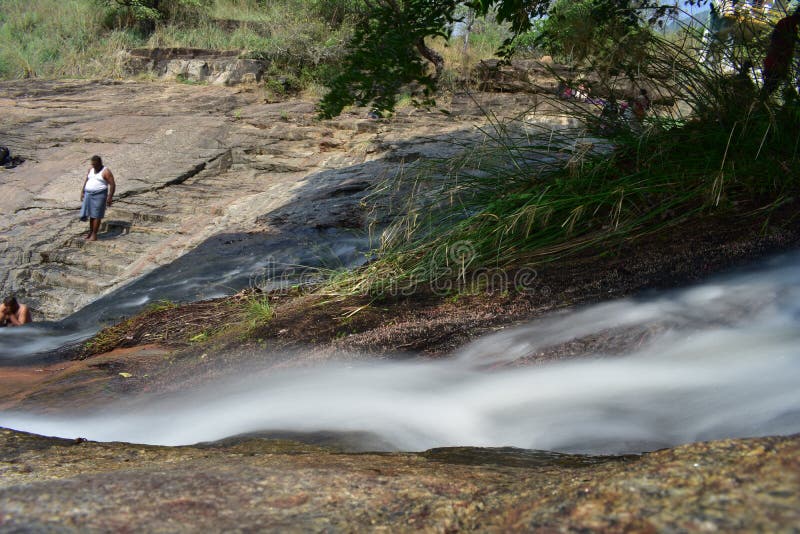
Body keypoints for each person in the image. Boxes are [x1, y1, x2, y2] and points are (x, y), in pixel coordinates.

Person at [762, 8, 800, 96]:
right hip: (776, 62)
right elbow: (781, 44)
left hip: (776, 62)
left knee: (768, 87)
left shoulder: (790, 25)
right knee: (769, 87)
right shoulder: (788, 25)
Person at [80, 155, 115, 241]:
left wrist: (110, 197)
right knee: (91, 214)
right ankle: (91, 232)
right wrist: (82, 191)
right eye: (92, 164)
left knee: (97, 215)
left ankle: (94, 235)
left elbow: (112, 184)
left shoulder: (106, 171)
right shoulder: (91, 170)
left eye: (95, 164)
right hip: (88, 194)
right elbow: (87, 180)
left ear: (100, 163)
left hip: (99, 195)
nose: (93, 166)